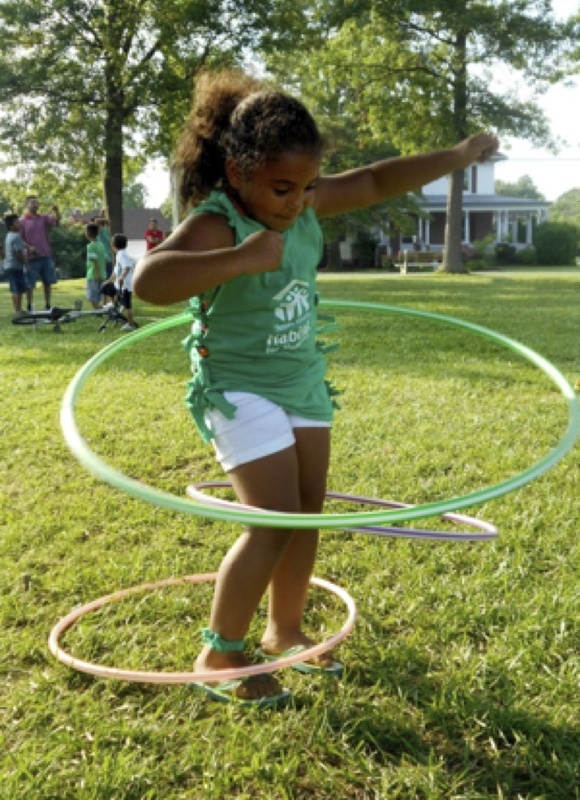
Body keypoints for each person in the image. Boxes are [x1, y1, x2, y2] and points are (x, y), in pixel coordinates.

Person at [133, 69, 499, 705]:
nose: (298, 202)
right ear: (238, 170)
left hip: (302, 382)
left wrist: (459, 155)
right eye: (283, 188)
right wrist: (240, 258)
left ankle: (285, 630)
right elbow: (149, 282)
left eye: (307, 187)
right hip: (238, 387)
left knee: (306, 514)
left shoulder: (301, 204)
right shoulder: (220, 222)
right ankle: (220, 652)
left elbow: (377, 180)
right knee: (271, 522)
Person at [19, 195, 60, 310]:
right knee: (29, 284)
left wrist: (56, 211)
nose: (35, 204)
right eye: (32, 202)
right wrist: (29, 247)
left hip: (46, 255)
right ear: (27, 205)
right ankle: (29, 305)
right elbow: (19, 239)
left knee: (47, 282)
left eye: (36, 202)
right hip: (31, 258)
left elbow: (56, 221)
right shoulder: (22, 221)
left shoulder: (43, 218)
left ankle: (48, 305)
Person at [102, 233, 138, 331]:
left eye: (112, 243)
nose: (111, 245)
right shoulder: (119, 254)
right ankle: (113, 305)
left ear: (114, 245)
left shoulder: (122, 254)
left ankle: (130, 324)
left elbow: (127, 267)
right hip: (119, 284)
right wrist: (109, 281)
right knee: (106, 287)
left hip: (125, 285)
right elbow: (115, 271)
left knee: (127, 305)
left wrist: (122, 277)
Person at [3, 213, 32, 318]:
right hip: (15, 267)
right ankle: (18, 311)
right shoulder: (16, 236)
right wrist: (26, 263)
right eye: (17, 223)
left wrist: (28, 247)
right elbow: (19, 253)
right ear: (11, 226)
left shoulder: (9, 235)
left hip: (8, 266)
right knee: (19, 290)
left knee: (14, 289)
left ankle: (17, 310)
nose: (19, 224)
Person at [85, 222, 107, 309]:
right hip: (102, 273)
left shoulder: (90, 246)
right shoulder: (101, 244)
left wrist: (97, 274)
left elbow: (94, 261)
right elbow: (104, 259)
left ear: (88, 233)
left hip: (93, 274)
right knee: (100, 293)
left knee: (92, 294)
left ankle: (97, 309)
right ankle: (100, 308)